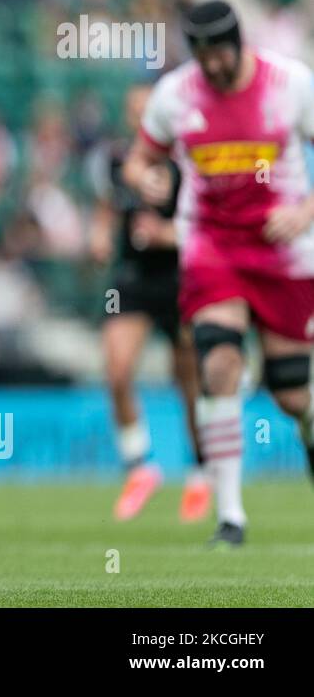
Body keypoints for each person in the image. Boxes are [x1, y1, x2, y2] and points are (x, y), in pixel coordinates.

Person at [124, 0, 314, 547]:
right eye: (201, 56)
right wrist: (146, 180)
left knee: (293, 395)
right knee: (219, 361)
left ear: (239, 45)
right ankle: (230, 516)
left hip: (282, 254)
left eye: (219, 55)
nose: (210, 67)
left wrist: (303, 212)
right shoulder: (175, 96)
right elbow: (141, 158)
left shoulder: (290, 85)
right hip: (212, 247)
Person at [90, 82, 210, 522]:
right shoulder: (117, 160)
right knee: (117, 368)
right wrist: (100, 233)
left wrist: (168, 235)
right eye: (134, 112)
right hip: (132, 278)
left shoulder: (190, 162)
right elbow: (108, 206)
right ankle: (140, 466)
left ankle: (201, 472)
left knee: (189, 382)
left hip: (182, 276)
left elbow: (210, 223)